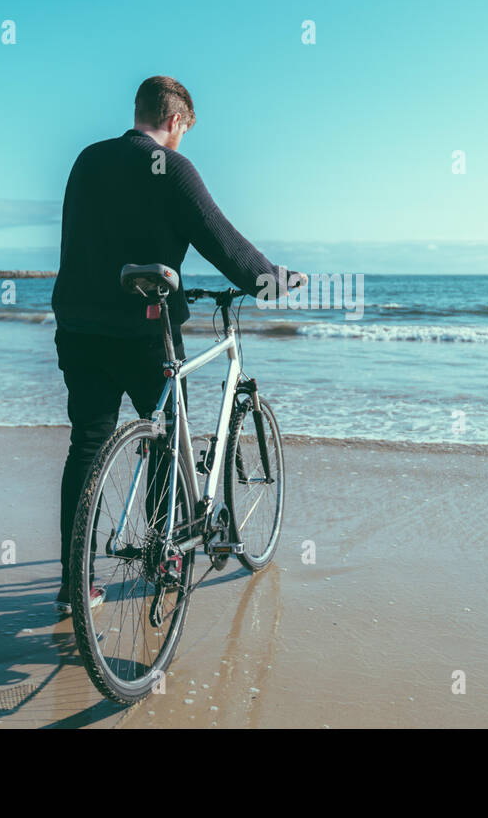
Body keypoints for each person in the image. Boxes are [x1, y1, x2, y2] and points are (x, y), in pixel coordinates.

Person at [50, 75, 301, 615]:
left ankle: (74, 584)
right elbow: (219, 237)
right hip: (143, 331)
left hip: (76, 328)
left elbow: (78, 241)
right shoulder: (171, 168)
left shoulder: (87, 159)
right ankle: (166, 557)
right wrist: (268, 279)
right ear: (175, 121)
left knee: (86, 446)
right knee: (168, 434)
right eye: (184, 129)